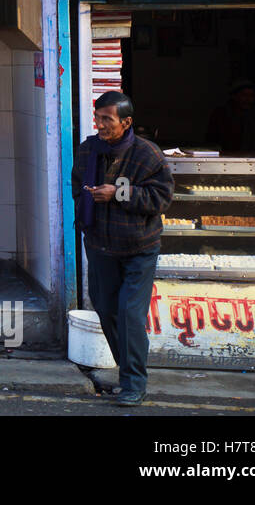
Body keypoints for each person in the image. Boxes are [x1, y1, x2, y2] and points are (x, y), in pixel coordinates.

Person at [72, 91, 173, 407]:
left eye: (107, 119)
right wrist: (86, 199)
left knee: (130, 314)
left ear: (126, 122)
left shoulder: (147, 155)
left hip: (138, 249)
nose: (100, 124)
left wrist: (117, 193)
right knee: (106, 310)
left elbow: (160, 198)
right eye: (98, 117)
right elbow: (77, 186)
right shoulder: (89, 151)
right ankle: (128, 371)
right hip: (101, 247)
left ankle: (133, 383)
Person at [204, 79, 255, 154]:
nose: (248, 99)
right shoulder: (221, 114)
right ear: (234, 96)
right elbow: (213, 142)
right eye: (244, 95)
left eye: (251, 96)